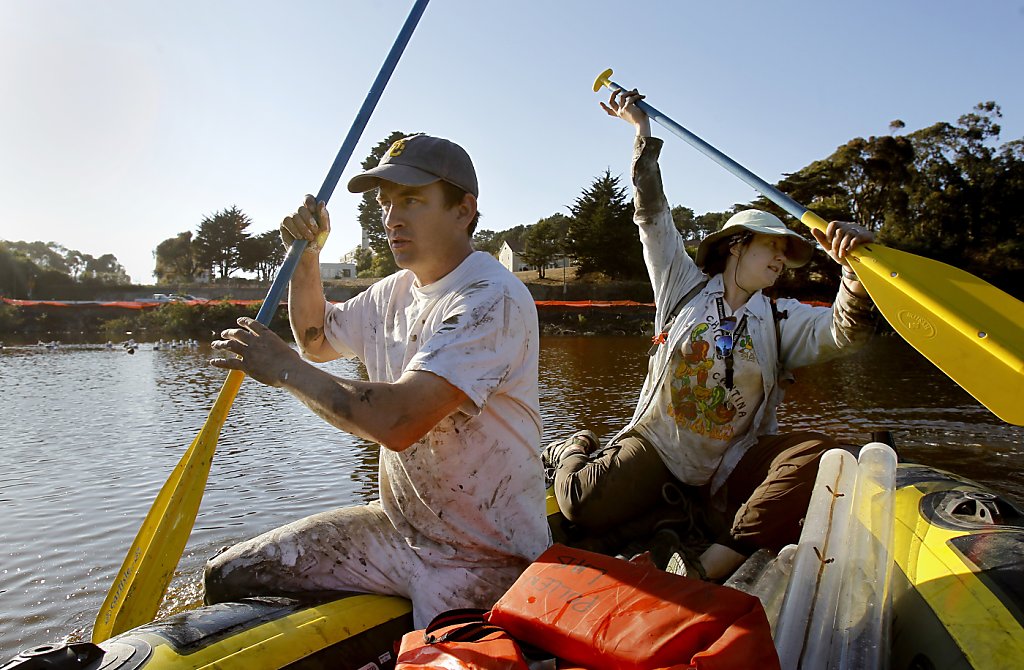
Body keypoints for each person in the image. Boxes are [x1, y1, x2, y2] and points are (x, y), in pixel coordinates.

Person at [203, 134, 549, 627]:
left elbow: (399, 420)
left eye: (412, 200)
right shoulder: (392, 293)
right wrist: (307, 258)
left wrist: (283, 370)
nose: (391, 218)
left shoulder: (492, 299)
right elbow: (315, 339)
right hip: (400, 531)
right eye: (386, 204)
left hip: (486, 558)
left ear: (464, 210)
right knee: (229, 574)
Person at [544, 89, 877, 581]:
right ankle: (573, 445)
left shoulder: (781, 319)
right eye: (774, 248)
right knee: (579, 506)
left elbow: (843, 331)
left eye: (788, 252)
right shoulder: (683, 285)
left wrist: (854, 270)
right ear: (737, 246)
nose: (783, 260)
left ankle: (710, 562)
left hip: (730, 462)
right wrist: (642, 133)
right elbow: (652, 217)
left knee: (825, 457)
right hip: (660, 446)